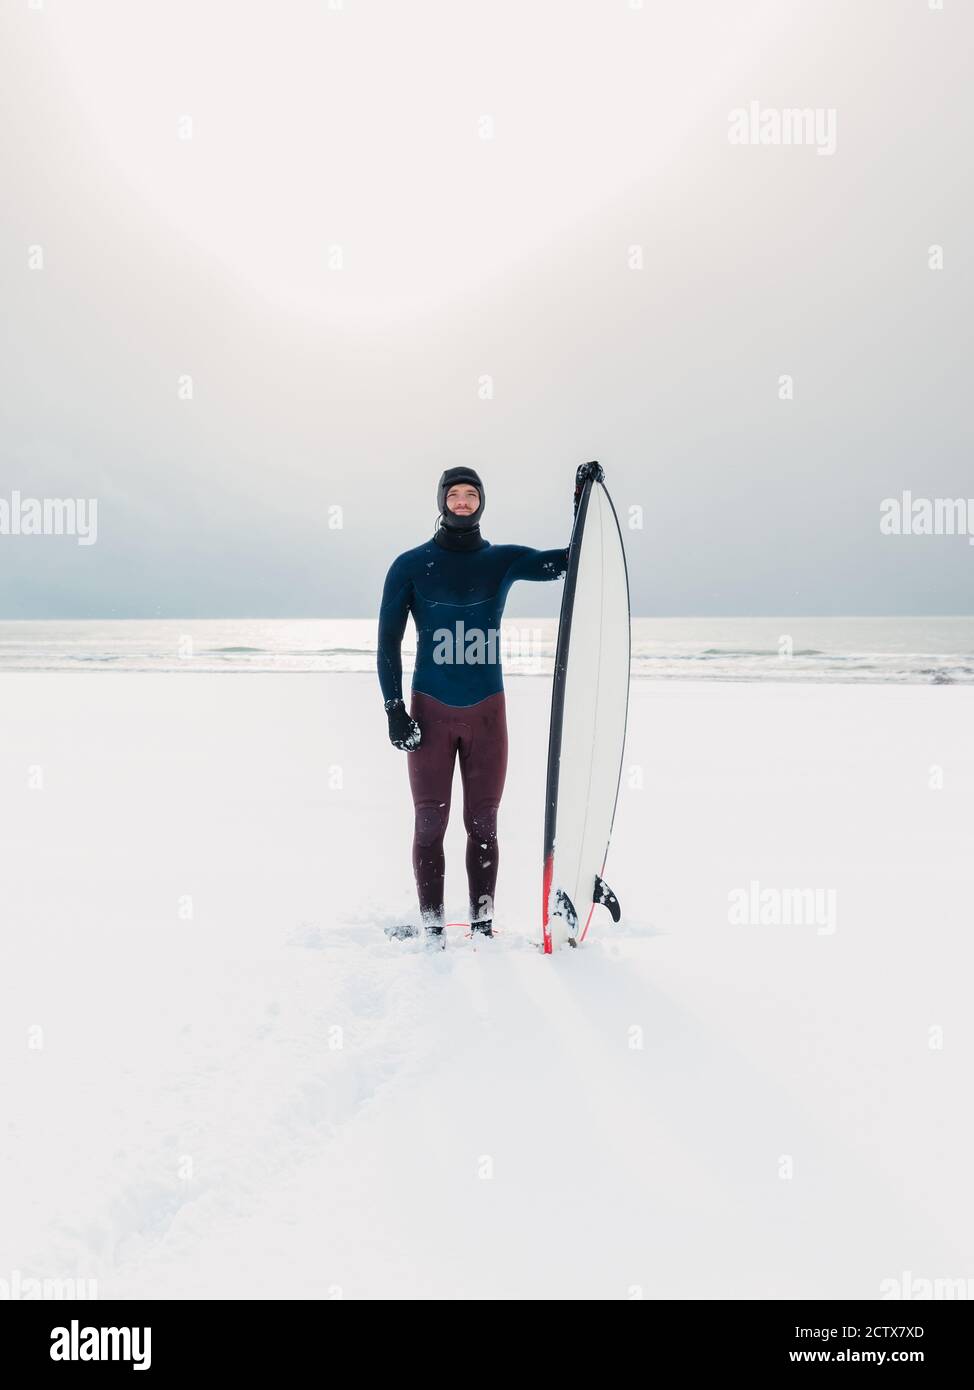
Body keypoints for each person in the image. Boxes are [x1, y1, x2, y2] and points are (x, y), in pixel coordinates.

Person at [377, 462, 603, 944]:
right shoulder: (410, 566)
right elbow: (386, 643)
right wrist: (394, 708)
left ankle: (482, 927)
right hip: (429, 714)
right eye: (454, 493)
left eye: (471, 494)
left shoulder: (500, 560)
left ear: (481, 502)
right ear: (441, 501)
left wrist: (584, 504)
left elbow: (564, 563)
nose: (462, 501)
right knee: (429, 823)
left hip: (488, 714)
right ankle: (433, 927)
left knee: (484, 823)